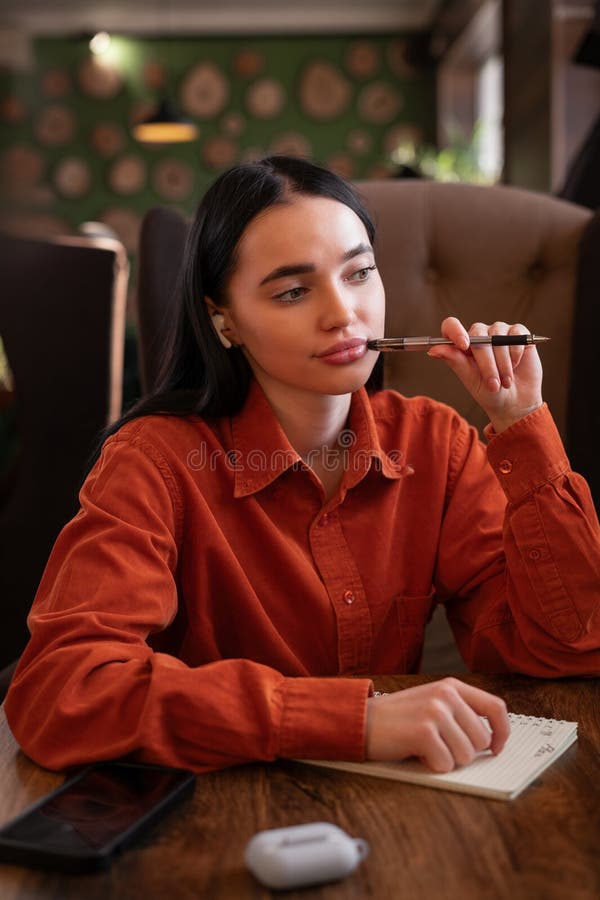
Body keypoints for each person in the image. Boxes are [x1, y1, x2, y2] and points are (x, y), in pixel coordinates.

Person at [5, 156, 600, 776]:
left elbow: (571, 647)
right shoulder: (152, 462)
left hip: (396, 823)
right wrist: (351, 720)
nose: (343, 313)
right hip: (208, 815)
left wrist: (522, 423)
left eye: (360, 272)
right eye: (293, 291)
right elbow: (61, 691)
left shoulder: (436, 445)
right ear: (223, 319)